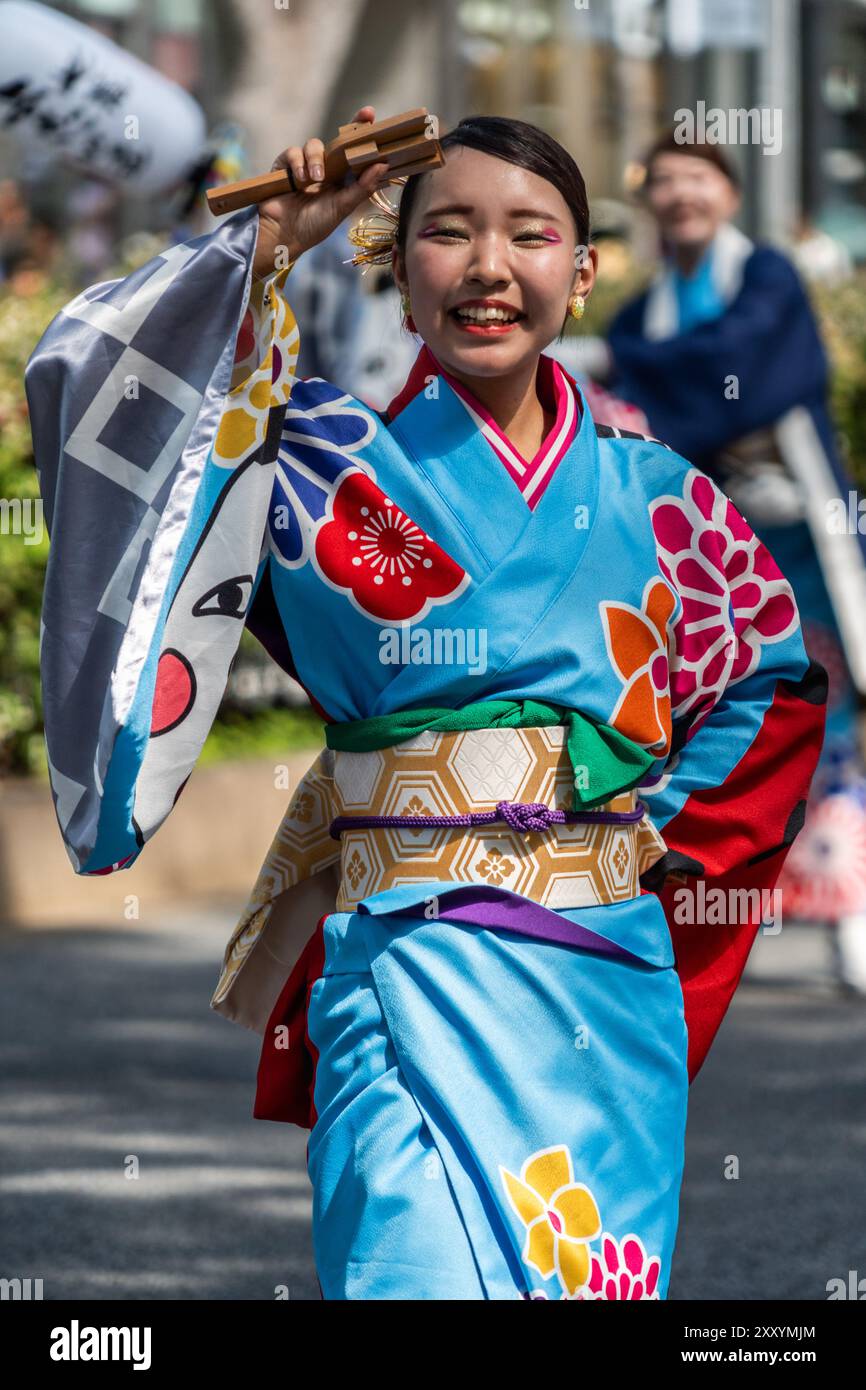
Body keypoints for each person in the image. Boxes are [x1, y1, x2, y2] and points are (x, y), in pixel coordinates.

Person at [26, 108, 826, 1301]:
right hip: (400, 970)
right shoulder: (316, 463)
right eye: (444, 233)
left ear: (582, 269)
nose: (489, 267)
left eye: (530, 234)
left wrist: (654, 851)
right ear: (396, 269)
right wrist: (268, 250)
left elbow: (770, 679)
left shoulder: (662, 497)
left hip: (598, 992)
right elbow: (118, 392)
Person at [606, 131, 866, 993]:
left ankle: (852, 916)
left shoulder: (769, 280)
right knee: (727, 725)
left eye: (699, 178)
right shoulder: (645, 312)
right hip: (716, 558)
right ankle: (719, 926)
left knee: (830, 715)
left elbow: (749, 374)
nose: (681, 195)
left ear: (730, 194)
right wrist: (659, 368)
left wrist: (648, 368)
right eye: (666, 182)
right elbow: (667, 386)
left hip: (805, 537)